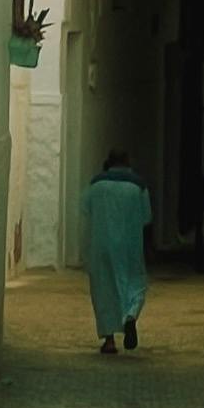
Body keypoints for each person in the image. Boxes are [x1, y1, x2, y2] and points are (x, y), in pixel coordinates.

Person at [82, 148, 153, 355]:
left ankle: (109, 341)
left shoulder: (96, 185)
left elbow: (85, 210)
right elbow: (147, 217)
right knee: (136, 283)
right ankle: (130, 315)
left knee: (104, 290)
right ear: (128, 162)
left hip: (101, 245)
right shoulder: (138, 186)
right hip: (130, 246)